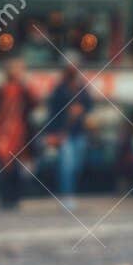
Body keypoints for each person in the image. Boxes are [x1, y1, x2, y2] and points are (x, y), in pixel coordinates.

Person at [0, 58, 37, 209]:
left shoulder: (23, 89)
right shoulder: (1, 90)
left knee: (16, 168)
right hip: (2, 134)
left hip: (19, 135)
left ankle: (13, 198)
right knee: (3, 167)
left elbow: (34, 102)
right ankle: (5, 198)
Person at [47, 56, 93, 208]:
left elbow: (90, 105)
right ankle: (67, 195)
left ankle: (71, 192)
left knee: (77, 166)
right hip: (64, 133)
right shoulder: (60, 88)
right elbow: (52, 112)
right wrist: (52, 132)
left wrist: (81, 110)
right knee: (67, 166)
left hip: (79, 132)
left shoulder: (82, 88)